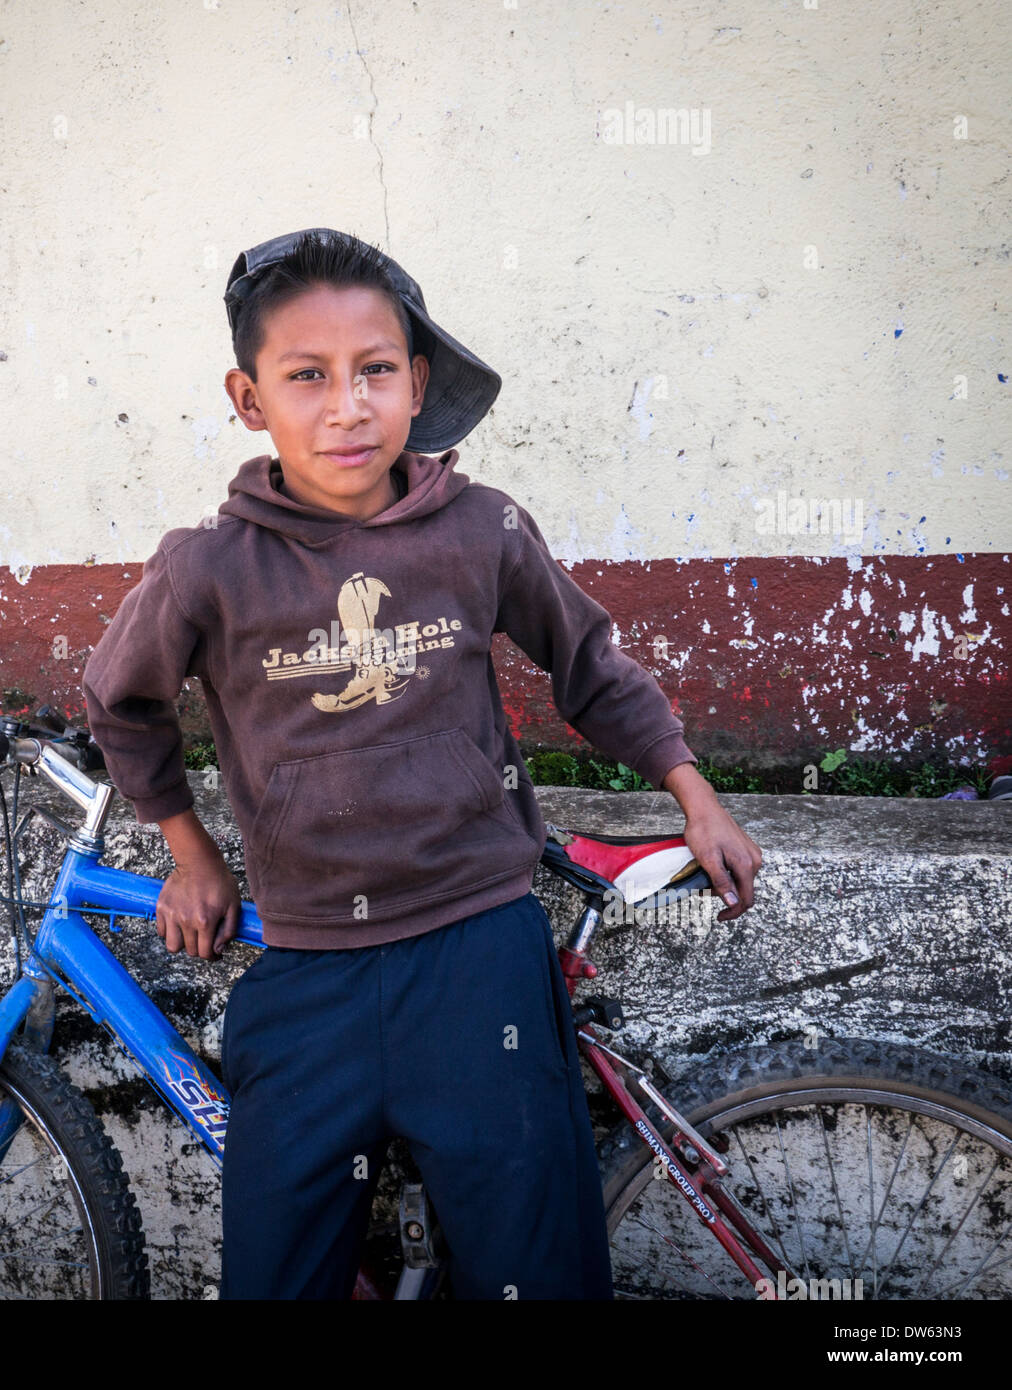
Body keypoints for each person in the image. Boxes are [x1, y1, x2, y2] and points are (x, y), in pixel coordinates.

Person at [82, 227, 762, 1299]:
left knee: (534, 1273)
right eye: (306, 376)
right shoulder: (208, 568)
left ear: (417, 384)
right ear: (249, 396)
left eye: (375, 372)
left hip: (478, 952)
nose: (346, 406)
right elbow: (121, 704)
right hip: (306, 972)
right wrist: (189, 851)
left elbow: (587, 664)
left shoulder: (481, 530)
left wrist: (694, 790)